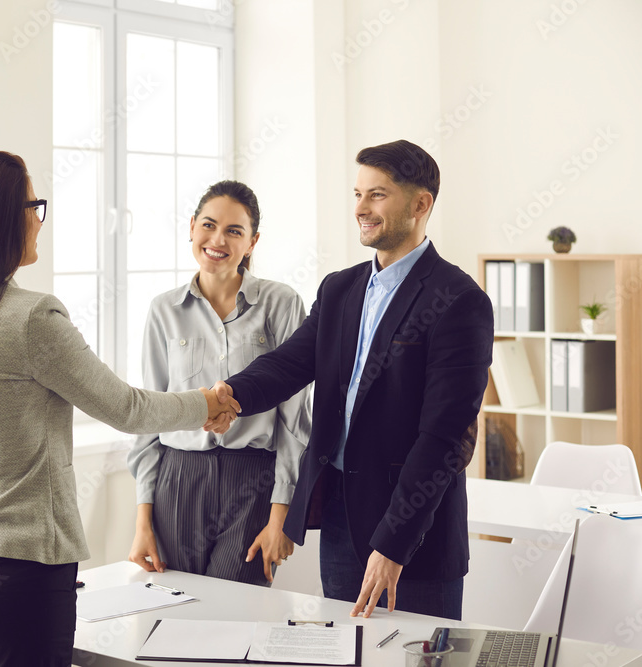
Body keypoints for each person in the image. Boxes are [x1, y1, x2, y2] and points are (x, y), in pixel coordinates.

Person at [0, 151, 240, 667]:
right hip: (18, 574)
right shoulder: (31, 318)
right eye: (33, 206)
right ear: (1, 220)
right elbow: (126, 408)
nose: (39, 219)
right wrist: (206, 403)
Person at [211, 140, 494, 620]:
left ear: (420, 204)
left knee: (413, 653)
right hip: (340, 515)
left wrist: (393, 544)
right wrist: (230, 395)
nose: (360, 208)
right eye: (358, 194)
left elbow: (444, 440)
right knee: (345, 650)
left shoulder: (459, 300)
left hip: (413, 531)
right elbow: (288, 364)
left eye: (377, 195)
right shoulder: (340, 288)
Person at [127, 180, 312, 586]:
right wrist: (142, 522)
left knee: (238, 609)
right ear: (192, 226)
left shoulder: (281, 303)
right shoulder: (164, 310)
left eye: (234, 231)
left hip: (254, 479)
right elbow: (149, 418)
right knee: (174, 606)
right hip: (178, 479)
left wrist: (280, 516)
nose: (217, 240)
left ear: (252, 242)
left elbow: (295, 421)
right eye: (208, 225)